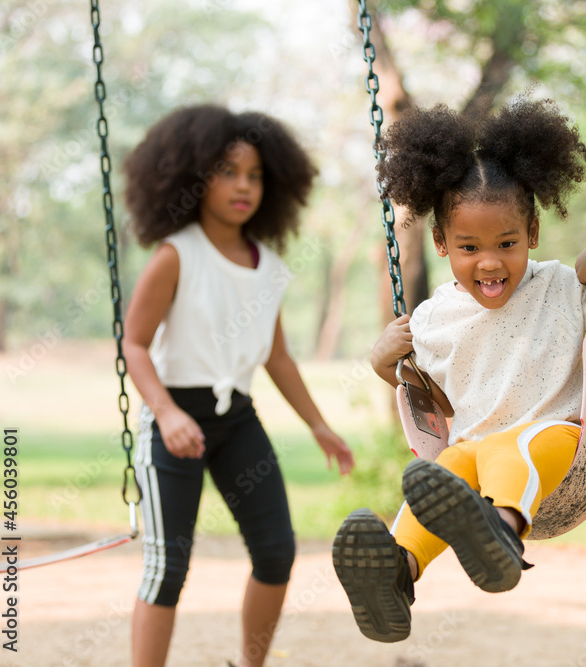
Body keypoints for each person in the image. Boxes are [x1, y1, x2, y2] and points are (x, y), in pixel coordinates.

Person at [332, 99, 586, 642]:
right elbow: (431, 403)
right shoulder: (433, 318)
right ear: (441, 244)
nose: (489, 261)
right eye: (469, 247)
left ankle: (501, 534)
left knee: (510, 448)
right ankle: (396, 572)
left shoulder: (562, 288)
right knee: (446, 468)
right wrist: (384, 364)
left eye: (506, 243)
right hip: (476, 453)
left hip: (560, 442)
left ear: (532, 232)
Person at [121, 104, 354, 667]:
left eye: (254, 175)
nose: (243, 186)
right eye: (228, 171)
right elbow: (134, 344)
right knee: (167, 567)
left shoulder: (268, 267)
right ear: (194, 175)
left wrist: (319, 425)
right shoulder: (176, 254)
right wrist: (167, 413)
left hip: (237, 420)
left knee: (276, 553)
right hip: (173, 418)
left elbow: (276, 355)